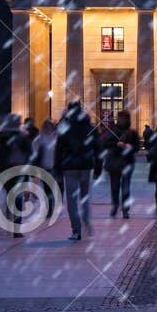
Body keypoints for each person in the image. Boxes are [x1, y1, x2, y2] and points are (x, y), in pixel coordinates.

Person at [54, 102, 98, 241]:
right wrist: (98, 167)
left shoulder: (64, 126)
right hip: (86, 166)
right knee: (85, 198)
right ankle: (86, 218)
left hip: (70, 167)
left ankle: (76, 230)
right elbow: (98, 148)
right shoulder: (90, 127)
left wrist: (57, 169)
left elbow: (58, 149)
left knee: (72, 201)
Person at [0, 114, 33, 237]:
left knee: (13, 196)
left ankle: (10, 222)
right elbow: (30, 154)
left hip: (7, 170)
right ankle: (16, 227)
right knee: (17, 198)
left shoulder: (2, 136)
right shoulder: (22, 136)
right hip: (18, 170)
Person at [102, 110, 137, 219]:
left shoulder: (132, 132)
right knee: (115, 187)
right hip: (115, 162)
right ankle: (115, 206)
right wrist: (116, 144)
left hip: (127, 162)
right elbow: (105, 144)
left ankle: (125, 209)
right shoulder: (112, 131)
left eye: (123, 118)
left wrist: (129, 147)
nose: (121, 120)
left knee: (125, 187)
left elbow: (136, 147)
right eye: (120, 118)